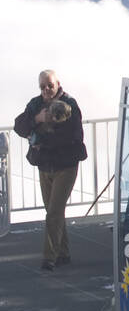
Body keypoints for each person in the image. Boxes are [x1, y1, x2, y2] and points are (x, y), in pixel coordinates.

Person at [13, 69, 87, 272]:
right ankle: (63, 253)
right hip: (45, 165)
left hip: (66, 165)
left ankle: (49, 258)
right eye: (43, 87)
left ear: (57, 84)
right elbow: (19, 126)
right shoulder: (36, 104)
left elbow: (72, 136)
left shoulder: (69, 104)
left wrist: (42, 141)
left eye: (50, 86)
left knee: (53, 212)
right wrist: (37, 119)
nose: (46, 89)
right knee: (53, 211)